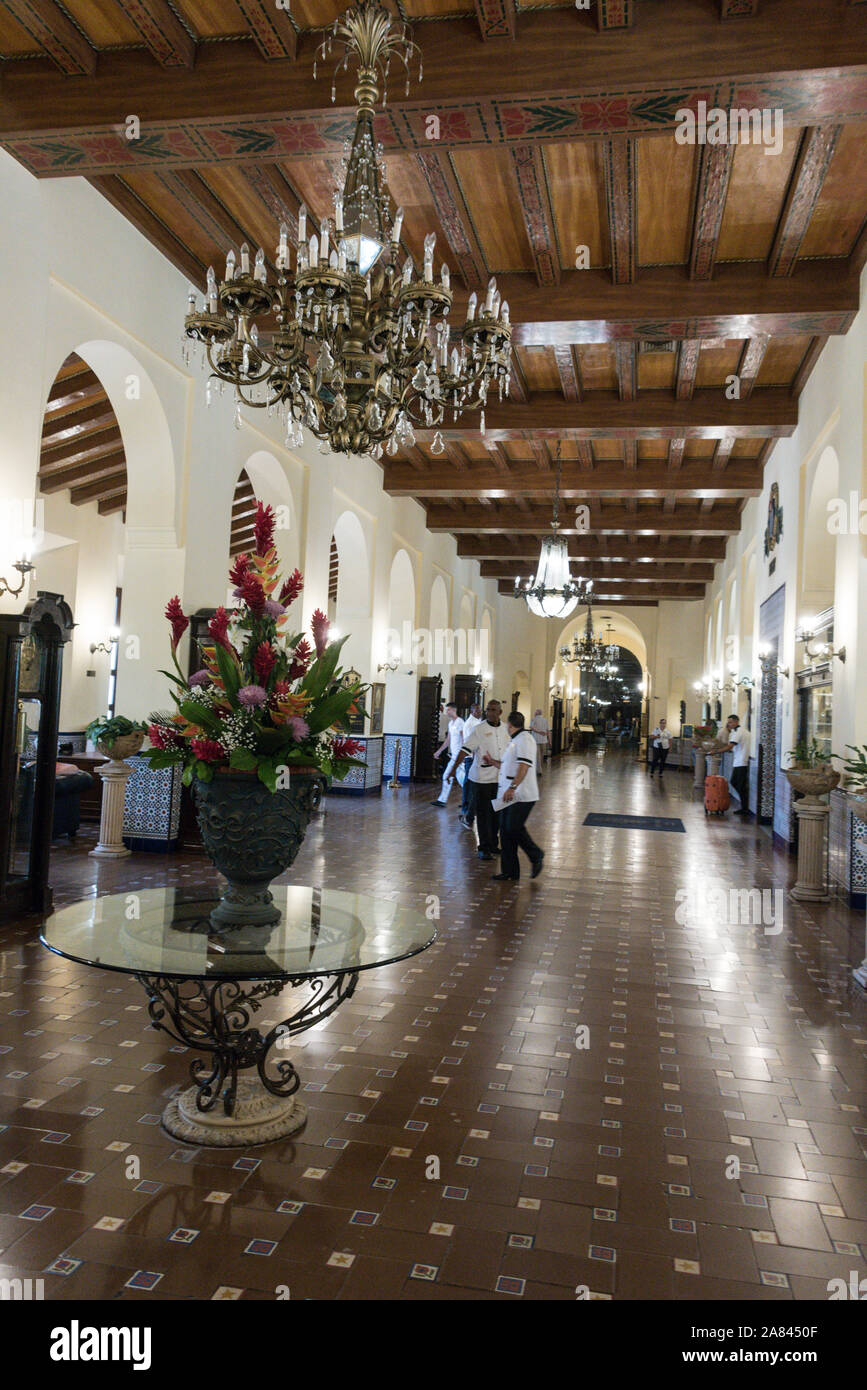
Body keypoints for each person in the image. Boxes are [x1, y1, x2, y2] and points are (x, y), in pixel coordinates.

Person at [484, 711, 543, 882]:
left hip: (521, 794)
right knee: (505, 830)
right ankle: (510, 872)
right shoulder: (515, 740)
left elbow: (523, 766)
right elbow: (508, 766)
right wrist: (492, 761)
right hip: (508, 793)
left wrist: (512, 787)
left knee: (512, 827)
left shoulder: (524, 739)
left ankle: (536, 854)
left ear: (509, 725)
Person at [449, 699, 510, 861]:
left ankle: (493, 844)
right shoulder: (479, 729)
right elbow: (465, 750)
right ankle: (483, 847)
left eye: (493, 710)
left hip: (500, 779)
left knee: (497, 813)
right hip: (481, 779)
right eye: (488, 710)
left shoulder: (506, 729)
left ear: (500, 712)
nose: (490, 713)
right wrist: (453, 769)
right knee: (483, 814)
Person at [431, 702, 465, 808]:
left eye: (448, 710)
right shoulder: (451, 723)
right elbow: (448, 740)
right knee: (461, 779)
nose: (447, 712)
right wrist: (439, 751)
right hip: (454, 755)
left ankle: (443, 800)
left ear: (454, 710)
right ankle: (468, 801)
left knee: (447, 776)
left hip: (459, 756)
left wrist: (464, 754)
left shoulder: (460, 722)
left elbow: (464, 739)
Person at [458, 703, 482, 830]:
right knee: (468, 783)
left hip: (476, 757)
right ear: (472, 711)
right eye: (477, 710)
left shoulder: (477, 722)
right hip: (471, 757)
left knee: (472, 783)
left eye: (480, 710)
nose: (479, 712)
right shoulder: (470, 724)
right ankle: (466, 808)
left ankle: (470, 808)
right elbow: (468, 742)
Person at [723, 714, 751, 816]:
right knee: (737, 784)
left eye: (730, 722)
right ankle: (744, 807)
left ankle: (745, 808)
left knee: (738, 784)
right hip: (739, 761)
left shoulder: (739, 732)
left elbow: (730, 746)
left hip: (741, 762)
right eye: (728, 722)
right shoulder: (740, 731)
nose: (728, 724)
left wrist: (716, 751)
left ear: (736, 722)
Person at [529, 707, 550, 775]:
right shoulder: (545, 720)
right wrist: (549, 740)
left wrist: (538, 732)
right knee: (541, 755)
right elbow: (548, 730)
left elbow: (531, 727)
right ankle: (540, 769)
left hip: (536, 740)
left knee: (537, 755)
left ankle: (538, 769)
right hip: (544, 740)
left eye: (535, 711)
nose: (534, 713)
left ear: (536, 713)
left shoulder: (533, 719)